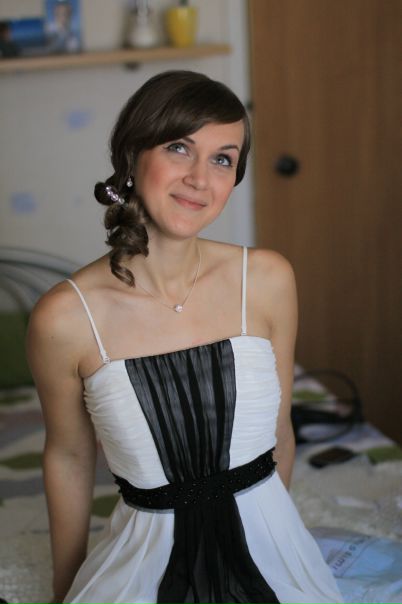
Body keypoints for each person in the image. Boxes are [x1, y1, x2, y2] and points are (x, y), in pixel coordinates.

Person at [26, 71, 343, 604]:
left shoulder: (267, 279)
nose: (200, 178)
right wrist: (65, 589)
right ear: (132, 155)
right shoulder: (65, 317)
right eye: (179, 148)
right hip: (143, 563)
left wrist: (274, 546)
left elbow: (280, 433)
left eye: (222, 159)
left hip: (270, 555)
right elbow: (69, 458)